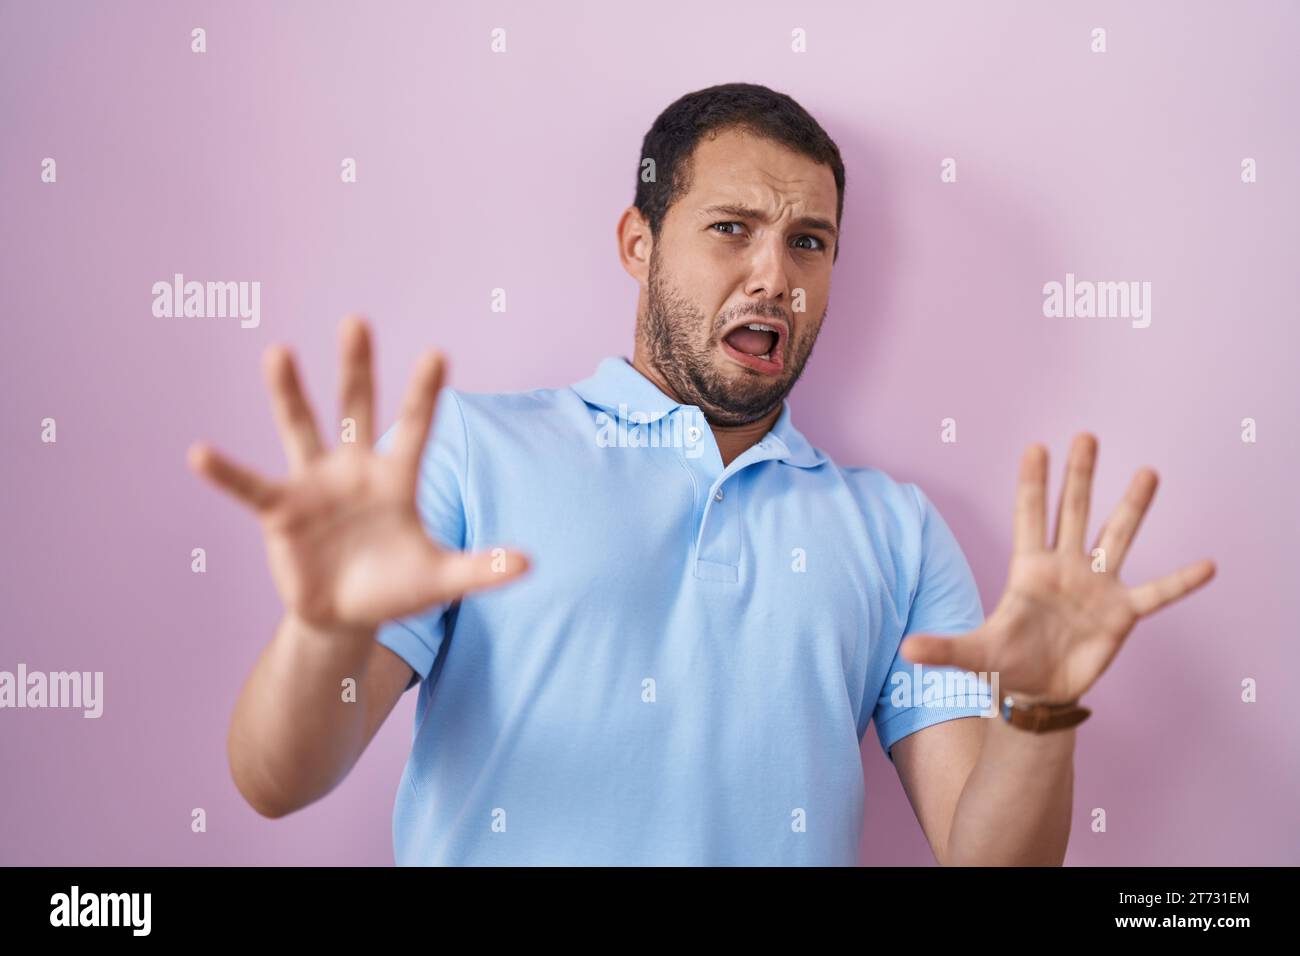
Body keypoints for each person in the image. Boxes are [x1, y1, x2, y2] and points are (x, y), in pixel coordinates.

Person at [187, 82, 1215, 865]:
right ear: (638, 242)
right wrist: (320, 626)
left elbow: (988, 853)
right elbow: (275, 779)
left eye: (808, 242)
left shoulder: (894, 530)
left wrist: (1036, 713)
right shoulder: (469, 449)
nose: (775, 273)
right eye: (732, 229)